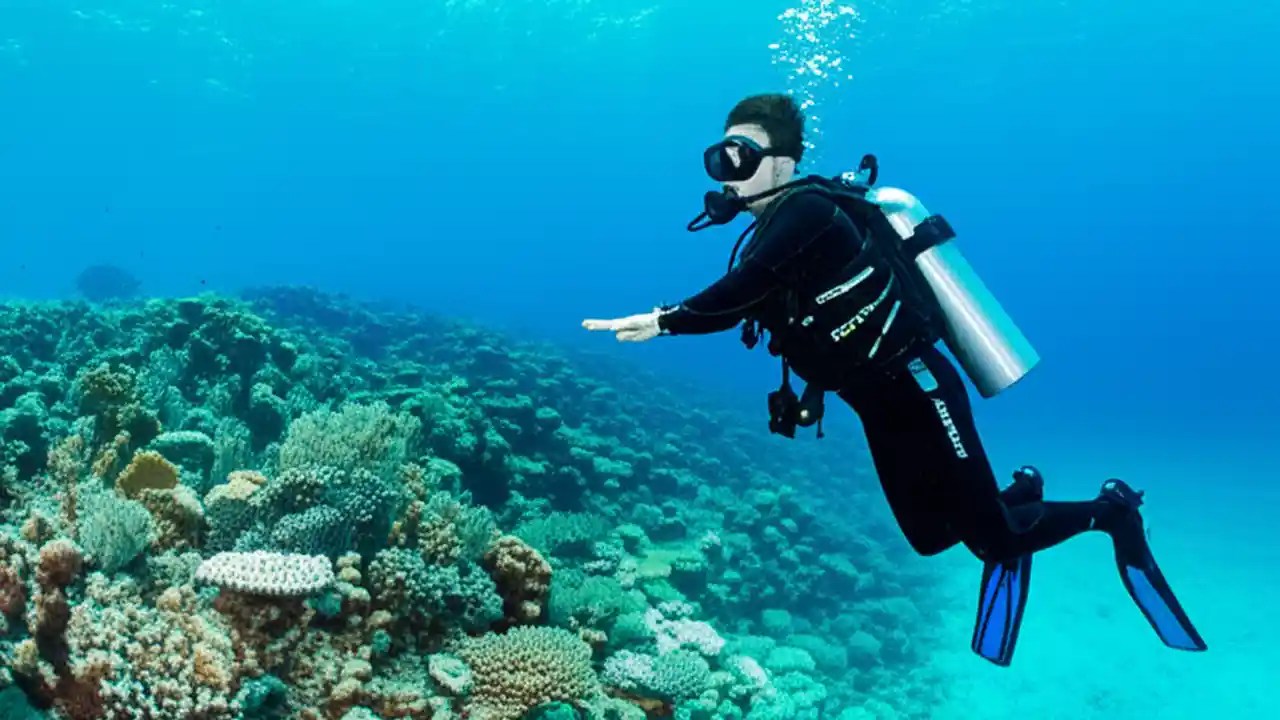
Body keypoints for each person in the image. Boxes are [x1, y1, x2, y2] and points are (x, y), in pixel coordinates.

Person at [581, 92, 1206, 666]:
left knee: (990, 542)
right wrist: (676, 320)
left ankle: (1111, 514)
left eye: (739, 156)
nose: (726, 172)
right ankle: (1017, 497)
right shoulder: (766, 231)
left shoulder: (809, 210)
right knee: (931, 539)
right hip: (875, 405)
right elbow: (745, 302)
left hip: (917, 384)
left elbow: (737, 292)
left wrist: (663, 321)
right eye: (719, 157)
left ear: (783, 162)